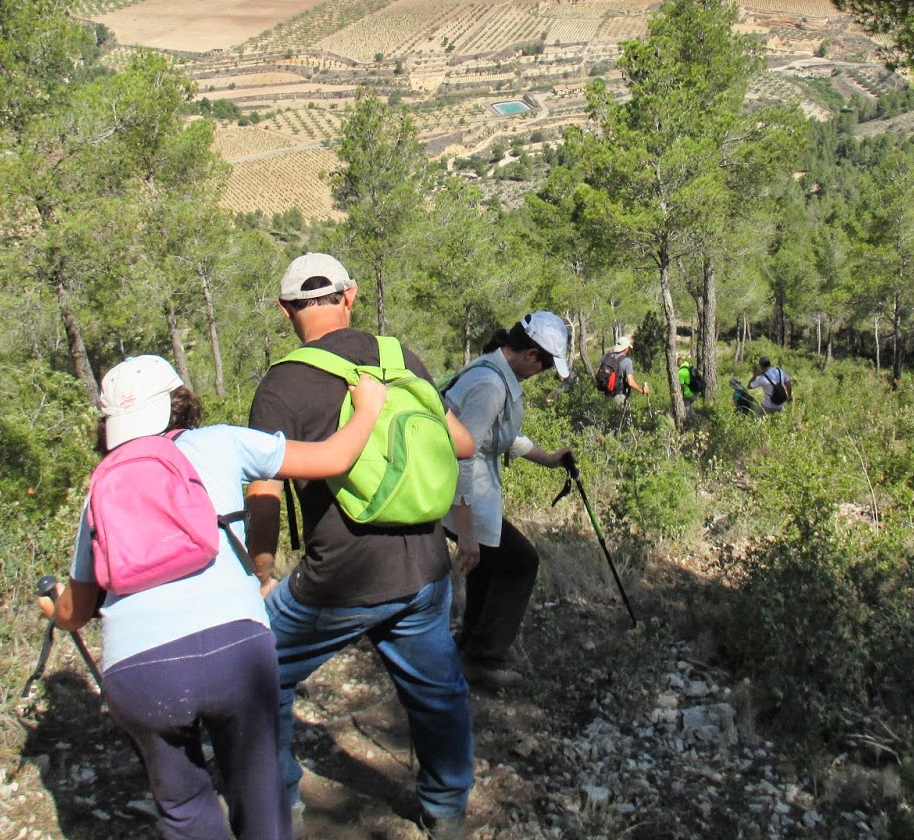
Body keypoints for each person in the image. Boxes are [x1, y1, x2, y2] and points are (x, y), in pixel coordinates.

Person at [38, 353, 387, 840]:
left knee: (183, 806)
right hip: (236, 651)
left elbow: (75, 613)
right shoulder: (220, 443)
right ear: (179, 403)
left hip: (140, 675)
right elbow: (332, 458)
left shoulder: (101, 488)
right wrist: (369, 407)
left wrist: (53, 606)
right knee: (258, 787)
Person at [243, 253, 477, 840]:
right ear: (349, 297)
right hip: (425, 568)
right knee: (437, 691)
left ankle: (279, 805)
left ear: (285, 310)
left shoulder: (281, 385)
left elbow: (264, 490)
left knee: (257, 671)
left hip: (340, 577)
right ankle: (446, 810)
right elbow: (463, 444)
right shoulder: (400, 358)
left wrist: (262, 566)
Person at [444, 312, 575, 691]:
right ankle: (482, 658)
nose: (543, 372)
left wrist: (549, 458)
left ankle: (469, 647)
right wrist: (466, 533)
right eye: (547, 365)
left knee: (489, 568)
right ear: (532, 355)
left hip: (471, 491)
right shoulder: (490, 384)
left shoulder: (493, 370)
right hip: (462, 492)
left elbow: (498, 438)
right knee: (520, 562)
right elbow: (463, 455)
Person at [598, 334, 651, 400]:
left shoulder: (605, 357)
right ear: (626, 349)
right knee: (619, 410)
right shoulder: (627, 361)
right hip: (618, 395)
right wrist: (642, 391)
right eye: (628, 348)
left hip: (604, 394)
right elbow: (630, 382)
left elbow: (597, 373)